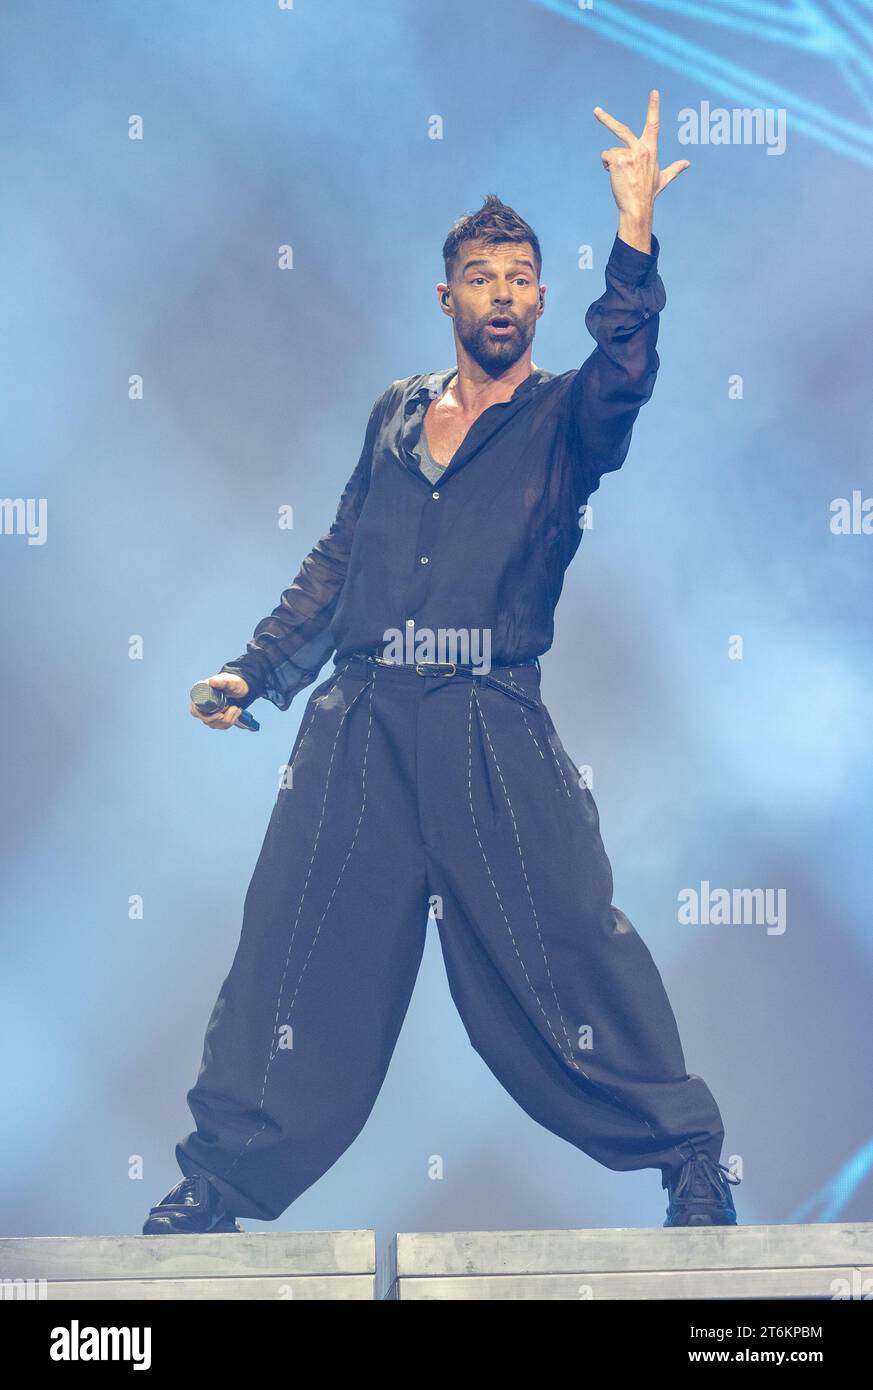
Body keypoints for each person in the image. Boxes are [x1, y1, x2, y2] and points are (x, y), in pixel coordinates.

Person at [144, 91, 740, 1235]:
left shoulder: (570, 418)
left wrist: (634, 238)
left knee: (568, 950)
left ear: (541, 298)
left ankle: (689, 1158)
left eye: (521, 279)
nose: (503, 297)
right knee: (292, 954)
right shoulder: (395, 414)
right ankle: (213, 1189)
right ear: (447, 296)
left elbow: (628, 370)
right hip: (356, 727)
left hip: (486, 722)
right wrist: (259, 668)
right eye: (483, 278)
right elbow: (338, 557)